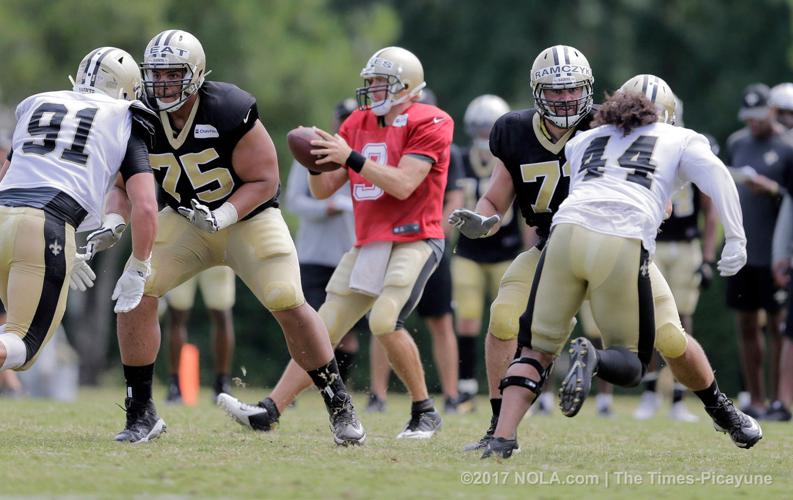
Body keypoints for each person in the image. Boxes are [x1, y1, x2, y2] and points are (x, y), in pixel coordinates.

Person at [88, 30, 364, 445]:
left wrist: (224, 214)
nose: (162, 83)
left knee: (286, 298)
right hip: (185, 219)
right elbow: (125, 184)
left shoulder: (229, 107)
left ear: (196, 74)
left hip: (247, 218)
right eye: (156, 74)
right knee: (135, 293)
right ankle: (141, 412)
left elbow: (265, 177)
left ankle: (339, 404)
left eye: (173, 73)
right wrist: (113, 219)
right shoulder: (137, 113)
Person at [480, 76, 759, 459]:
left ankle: (502, 440)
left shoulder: (583, 140)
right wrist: (737, 240)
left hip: (564, 239)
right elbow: (712, 182)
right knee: (635, 356)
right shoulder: (676, 138)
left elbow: (580, 197)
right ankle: (585, 368)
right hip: (619, 247)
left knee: (535, 349)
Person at [219, 46, 454, 439]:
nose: (373, 89)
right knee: (321, 328)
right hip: (369, 241)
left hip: (415, 237)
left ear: (408, 86)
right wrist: (315, 162)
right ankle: (271, 409)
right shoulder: (358, 121)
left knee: (384, 321)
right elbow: (325, 189)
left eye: (382, 82)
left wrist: (351, 157)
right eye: (371, 82)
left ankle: (424, 410)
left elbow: (404, 184)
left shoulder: (430, 120)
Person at [0, 47, 158, 386]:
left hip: (6, 215)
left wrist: (64, 244)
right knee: (22, 344)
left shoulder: (38, 102)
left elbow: (8, 173)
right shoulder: (124, 114)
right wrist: (140, 264)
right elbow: (145, 205)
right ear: (128, 89)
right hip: (44, 224)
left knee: (12, 336)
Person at [367, 88, 464, 414]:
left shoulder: (443, 141)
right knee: (383, 316)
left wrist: (435, 231)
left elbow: (455, 197)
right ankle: (377, 394)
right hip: (391, 240)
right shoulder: (391, 140)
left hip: (427, 239)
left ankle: (451, 395)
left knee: (440, 320)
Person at [634, 98, 718, 423]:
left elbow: (709, 212)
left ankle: (679, 397)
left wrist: (708, 257)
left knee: (683, 318)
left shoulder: (692, 147)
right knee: (649, 317)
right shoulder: (637, 148)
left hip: (685, 244)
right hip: (653, 241)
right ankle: (651, 392)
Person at [724, 83, 793, 418]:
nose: (752, 123)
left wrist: (772, 189)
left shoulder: (788, 145)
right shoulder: (737, 143)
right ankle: (756, 398)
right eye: (747, 117)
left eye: (758, 116)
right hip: (744, 251)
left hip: (774, 251)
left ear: (771, 111)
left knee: (780, 326)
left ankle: (782, 398)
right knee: (747, 325)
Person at [284, 98, 359, 383]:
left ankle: (342, 385)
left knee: (347, 331)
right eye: (342, 119)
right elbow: (294, 200)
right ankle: (309, 384)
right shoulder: (311, 149)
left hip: (349, 250)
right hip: (314, 252)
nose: (345, 125)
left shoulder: (362, 152)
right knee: (308, 324)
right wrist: (325, 208)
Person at [451, 94, 518, 410]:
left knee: (510, 322)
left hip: (506, 251)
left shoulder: (511, 159)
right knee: (467, 318)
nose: (482, 136)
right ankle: (466, 388)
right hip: (468, 250)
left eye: (488, 129)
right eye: (478, 128)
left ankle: (519, 385)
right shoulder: (460, 158)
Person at [164, 265, 236, 403]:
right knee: (176, 315)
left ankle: (222, 383)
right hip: (183, 250)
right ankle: (175, 384)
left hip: (216, 251)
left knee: (222, 314)